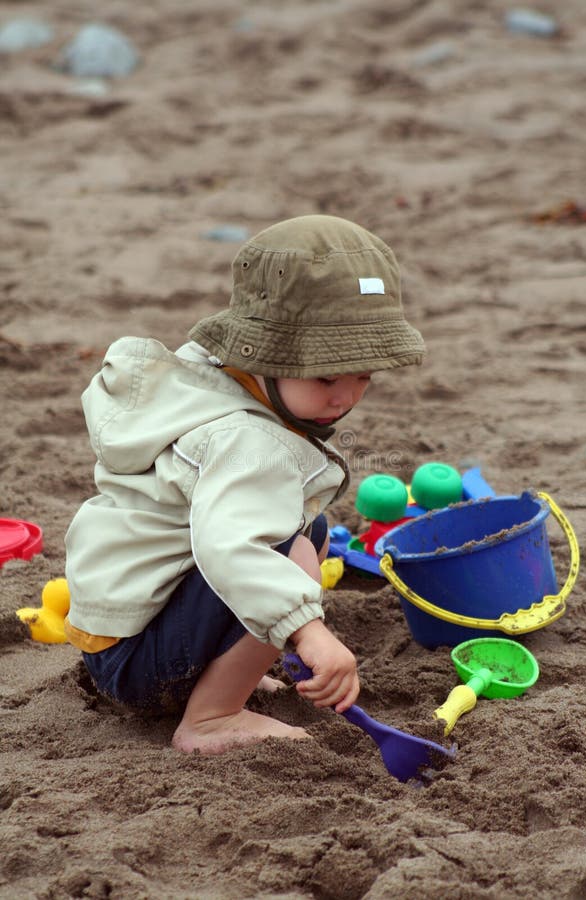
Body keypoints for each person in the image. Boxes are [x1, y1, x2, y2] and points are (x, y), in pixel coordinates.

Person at [64, 214, 425, 755]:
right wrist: (309, 631)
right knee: (285, 550)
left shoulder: (206, 376)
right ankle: (210, 717)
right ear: (269, 355)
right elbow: (233, 549)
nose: (344, 398)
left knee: (311, 529)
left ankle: (223, 671)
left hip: (121, 630)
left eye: (364, 376)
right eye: (326, 375)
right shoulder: (250, 442)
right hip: (138, 663)